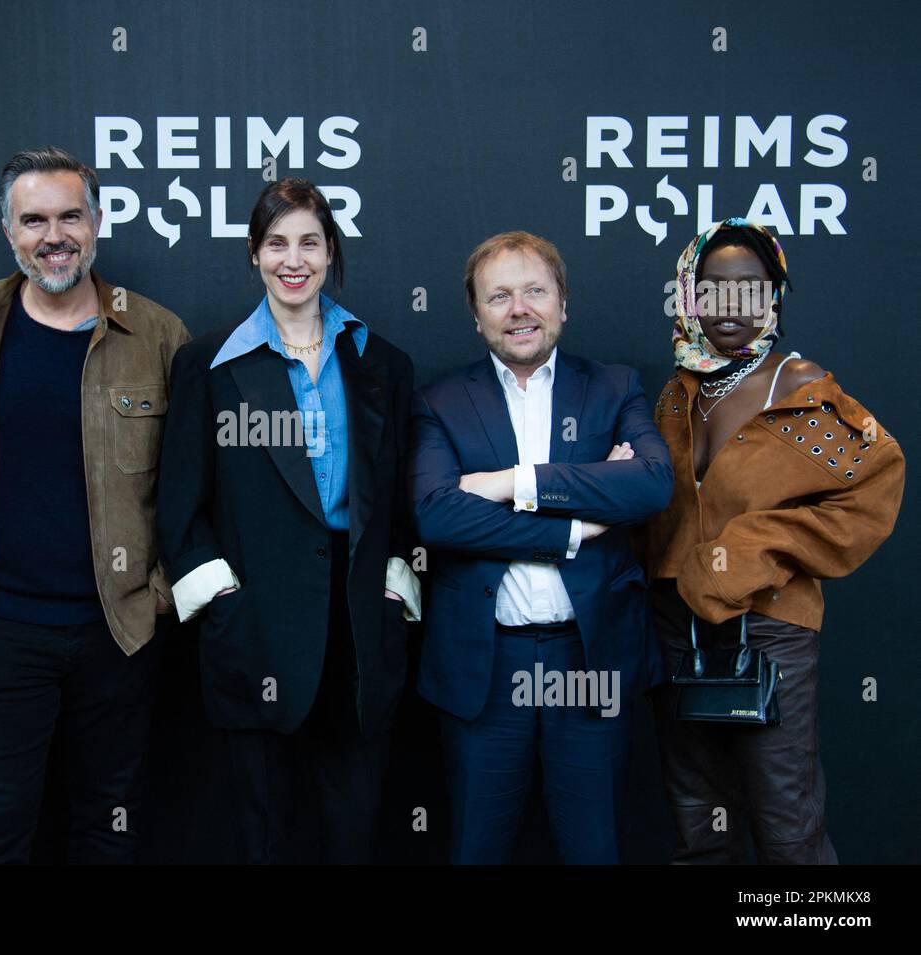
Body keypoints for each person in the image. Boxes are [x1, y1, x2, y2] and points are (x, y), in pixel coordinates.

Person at [0, 146, 190, 864]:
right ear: (9, 233)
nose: (54, 235)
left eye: (70, 215)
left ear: (98, 221)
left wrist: (157, 599)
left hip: (120, 633)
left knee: (109, 834)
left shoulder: (157, 335)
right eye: (34, 219)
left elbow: (196, 486)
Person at [157, 178, 419, 864]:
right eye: (277, 243)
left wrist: (395, 588)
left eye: (309, 241)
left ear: (330, 250)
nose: (292, 258)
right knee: (263, 833)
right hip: (255, 626)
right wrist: (223, 601)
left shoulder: (383, 363)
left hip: (360, 624)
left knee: (353, 830)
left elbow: (401, 500)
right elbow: (180, 506)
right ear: (254, 253)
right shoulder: (210, 366)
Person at [640, 218, 905, 864]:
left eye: (750, 289)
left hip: (769, 631)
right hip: (680, 632)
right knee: (700, 825)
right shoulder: (679, 393)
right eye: (714, 289)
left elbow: (876, 483)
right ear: (689, 297)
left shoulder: (801, 388)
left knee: (787, 828)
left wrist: (758, 545)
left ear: (774, 297)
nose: (732, 307)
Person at [410, 230, 673, 864]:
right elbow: (438, 514)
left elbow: (651, 484)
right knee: (477, 850)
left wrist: (511, 485)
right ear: (476, 317)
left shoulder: (614, 388)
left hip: (589, 660)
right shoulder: (440, 401)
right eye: (498, 296)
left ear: (563, 303)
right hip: (485, 668)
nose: (519, 308)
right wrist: (573, 528)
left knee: (595, 850)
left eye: (535, 290)